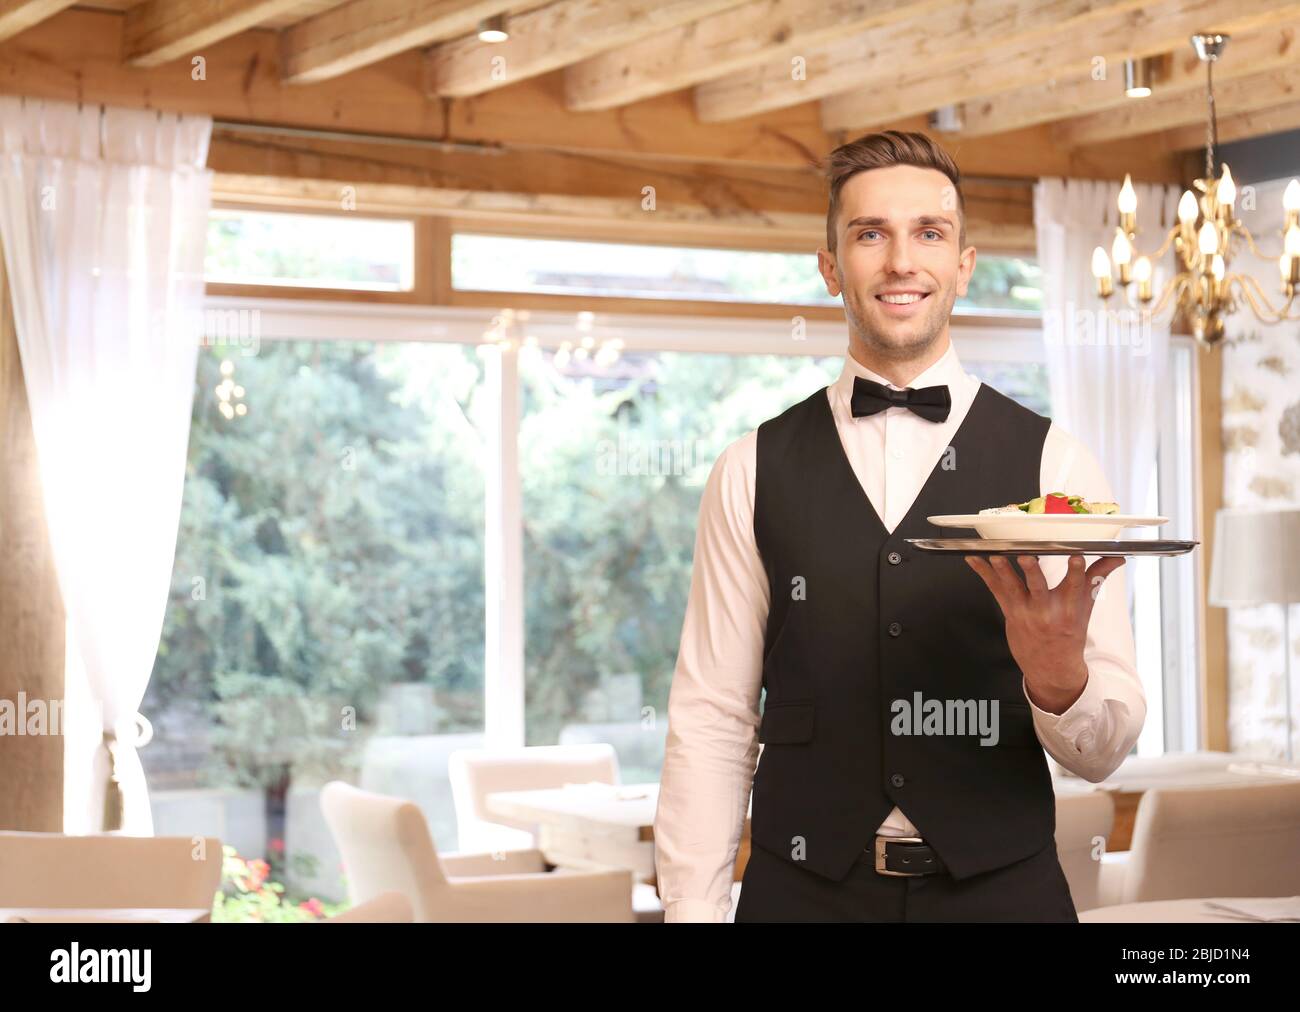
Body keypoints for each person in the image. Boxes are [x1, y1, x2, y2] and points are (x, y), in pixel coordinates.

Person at [652, 129, 1145, 923]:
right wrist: (692, 913)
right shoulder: (749, 468)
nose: (901, 261)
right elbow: (713, 716)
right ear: (830, 268)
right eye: (869, 234)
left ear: (964, 264)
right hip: (801, 896)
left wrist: (1060, 684)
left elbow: (1105, 754)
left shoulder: (1056, 466)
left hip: (1002, 896)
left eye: (929, 233)